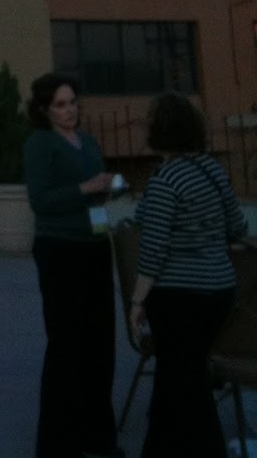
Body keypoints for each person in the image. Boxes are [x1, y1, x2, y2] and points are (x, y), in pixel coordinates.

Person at [131, 91, 245, 458]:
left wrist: (137, 301)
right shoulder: (212, 170)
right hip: (219, 290)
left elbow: (153, 250)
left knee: (185, 382)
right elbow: (237, 226)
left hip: (179, 296)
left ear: (158, 131)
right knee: (177, 377)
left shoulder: (165, 181)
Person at [23, 72, 119, 458]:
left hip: (94, 246)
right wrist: (86, 188)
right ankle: (59, 442)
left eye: (73, 102)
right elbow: (41, 201)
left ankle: (98, 436)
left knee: (100, 344)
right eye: (60, 105)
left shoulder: (89, 142)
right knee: (66, 344)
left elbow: (95, 190)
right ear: (45, 110)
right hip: (60, 250)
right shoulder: (40, 144)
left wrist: (107, 188)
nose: (69, 111)